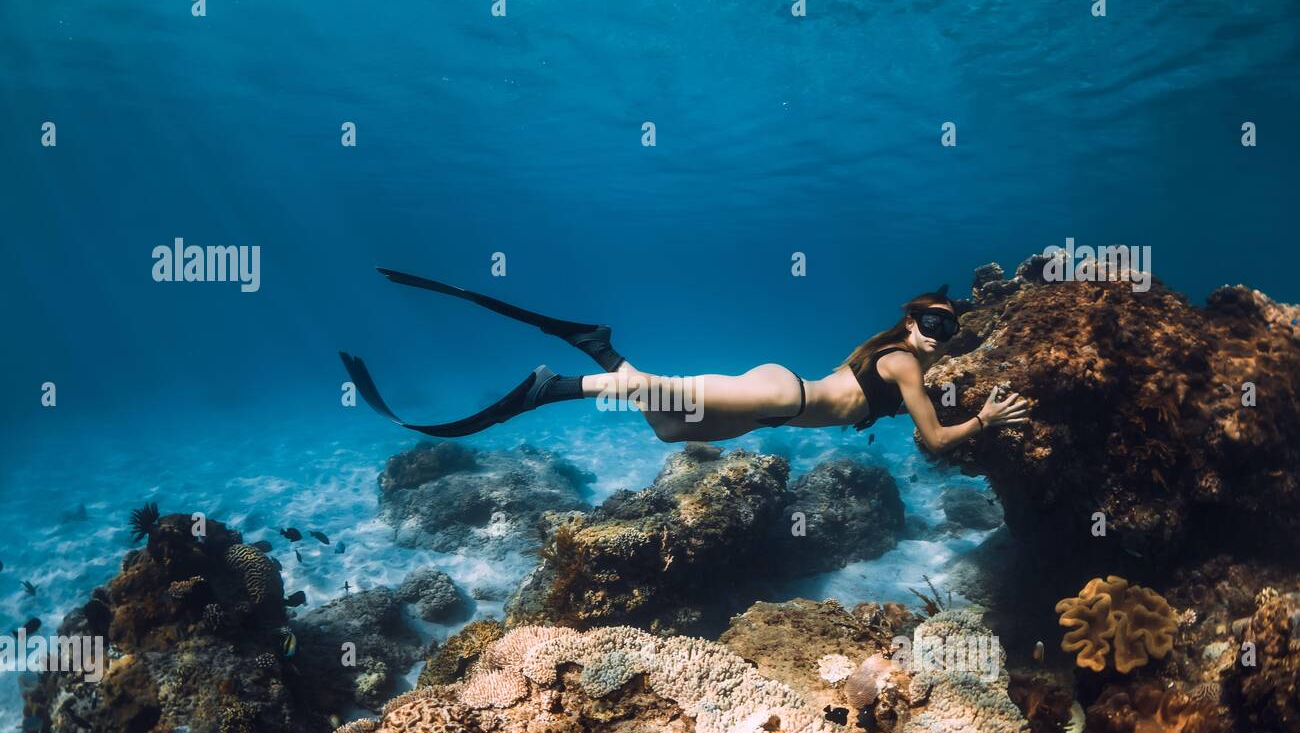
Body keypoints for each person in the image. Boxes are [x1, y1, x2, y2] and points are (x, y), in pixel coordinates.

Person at [340, 270, 1029, 449]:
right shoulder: (905, 363)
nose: (940, 333)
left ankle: (591, 355)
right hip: (780, 399)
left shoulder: (892, 352)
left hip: (777, 406)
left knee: (668, 426)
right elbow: (934, 443)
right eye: (932, 321)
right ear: (910, 321)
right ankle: (573, 372)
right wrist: (985, 422)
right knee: (649, 389)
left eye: (950, 326)